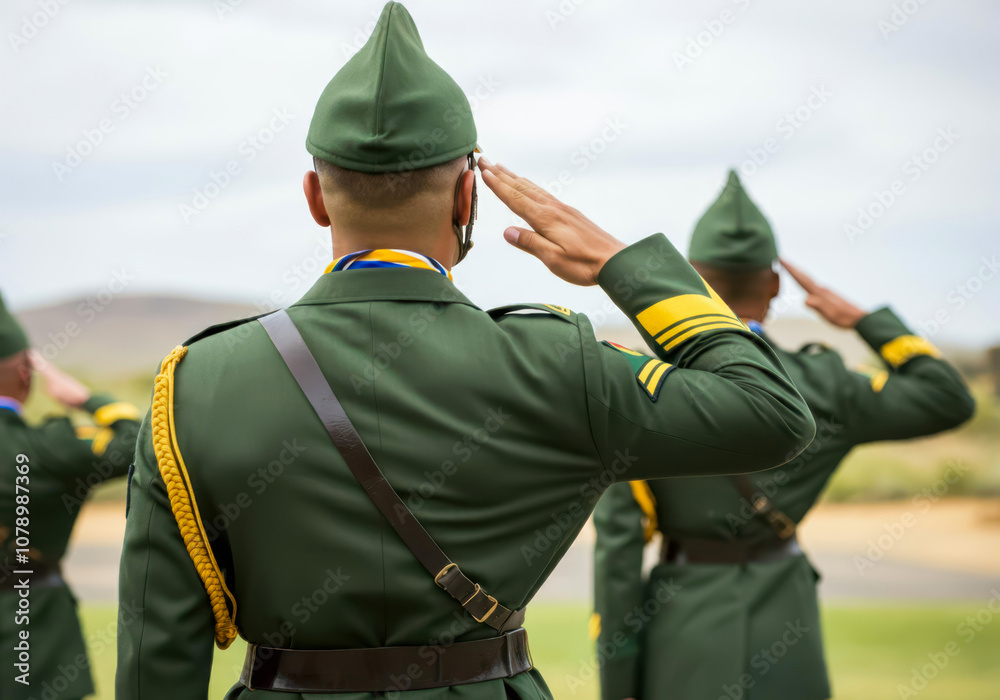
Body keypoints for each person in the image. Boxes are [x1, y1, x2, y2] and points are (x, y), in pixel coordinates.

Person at [115, 6, 815, 699]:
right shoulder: (557, 361)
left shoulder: (196, 384)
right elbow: (772, 412)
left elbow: (156, 655)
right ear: (466, 197)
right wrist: (622, 264)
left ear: (315, 199)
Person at [592, 170, 976, 700]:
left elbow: (617, 559)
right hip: (789, 618)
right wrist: (865, 321)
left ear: (693, 284)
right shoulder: (829, 383)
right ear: (774, 285)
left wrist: (618, 685)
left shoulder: (643, 388)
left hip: (685, 627)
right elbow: (948, 398)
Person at [0, 292, 141, 700]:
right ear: (27, 374)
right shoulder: (51, 448)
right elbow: (142, 443)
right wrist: (86, 398)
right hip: (35, 636)